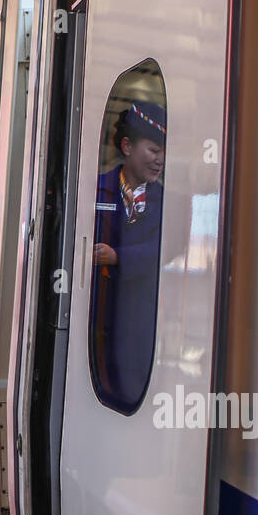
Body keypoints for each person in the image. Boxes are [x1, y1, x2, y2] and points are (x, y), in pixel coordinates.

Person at [90, 102, 166, 409]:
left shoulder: (167, 201)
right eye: (153, 150)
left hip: (141, 324)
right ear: (127, 146)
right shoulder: (93, 190)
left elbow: (164, 253)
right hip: (94, 316)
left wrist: (117, 257)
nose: (159, 160)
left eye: (163, 152)